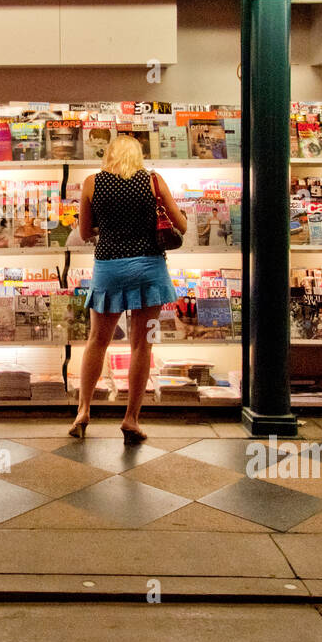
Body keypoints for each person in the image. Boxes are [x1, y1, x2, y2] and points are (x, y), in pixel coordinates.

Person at [70, 135, 186, 445]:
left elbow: (83, 232)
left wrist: (108, 229)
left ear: (108, 155)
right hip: (150, 273)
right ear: (139, 155)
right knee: (141, 345)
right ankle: (131, 419)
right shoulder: (153, 181)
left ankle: (83, 410)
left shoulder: (93, 182)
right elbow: (182, 226)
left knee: (97, 340)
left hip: (109, 270)